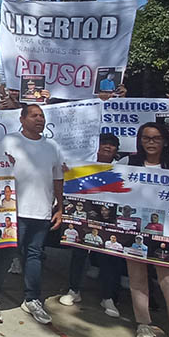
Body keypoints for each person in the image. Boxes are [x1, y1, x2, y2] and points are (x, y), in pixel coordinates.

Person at [0, 104, 64, 326]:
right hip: (13, 211)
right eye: (34, 115)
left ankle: (32, 299)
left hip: (41, 211)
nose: (39, 119)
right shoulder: (8, 141)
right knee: (6, 256)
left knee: (34, 256)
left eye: (42, 116)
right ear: (22, 119)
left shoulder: (52, 146)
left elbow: (58, 177)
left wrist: (60, 207)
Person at [118, 122, 169, 337]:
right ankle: (143, 324)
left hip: (166, 231)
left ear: (164, 141)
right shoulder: (127, 163)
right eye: (146, 138)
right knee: (137, 277)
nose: (151, 142)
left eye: (156, 138)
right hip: (135, 229)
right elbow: (99, 175)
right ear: (140, 141)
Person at [60, 133, 120, 310]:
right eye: (104, 143)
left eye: (112, 145)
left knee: (109, 259)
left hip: (110, 222)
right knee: (79, 255)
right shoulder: (83, 164)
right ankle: (74, 290)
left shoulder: (124, 167)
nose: (108, 147)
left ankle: (108, 297)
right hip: (84, 219)